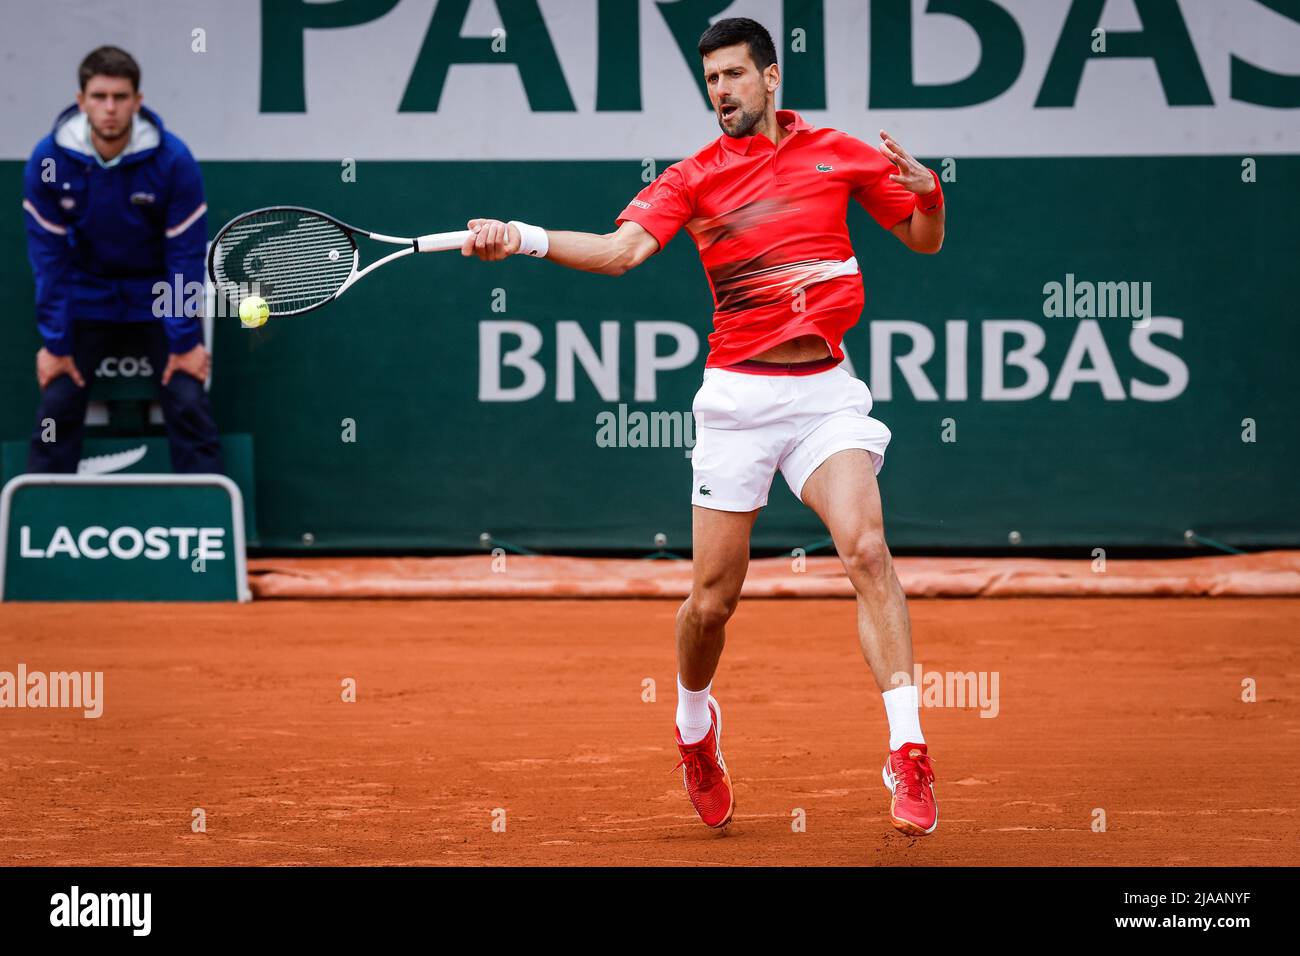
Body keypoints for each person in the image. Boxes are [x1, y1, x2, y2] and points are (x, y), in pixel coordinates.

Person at [461, 17, 944, 836]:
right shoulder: (693, 178)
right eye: (710, 79)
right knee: (712, 603)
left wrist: (930, 194)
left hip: (826, 393)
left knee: (866, 548)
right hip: (737, 405)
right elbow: (619, 253)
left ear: (770, 77)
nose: (720, 91)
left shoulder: (840, 153)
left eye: (732, 75)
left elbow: (924, 241)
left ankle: (910, 751)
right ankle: (694, 726)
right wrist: (524, 240)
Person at [22, 45, 222, 475]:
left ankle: (208, 524)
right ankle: (41, 523)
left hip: (156, 296)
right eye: (98, 97)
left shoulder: (173, 161)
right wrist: (56, 344)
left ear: (137, 101)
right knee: (57, 405)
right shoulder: (49, 161)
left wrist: (186, 341)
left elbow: (184, 258)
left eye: (119, 97)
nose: (109, 108)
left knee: (188, 400)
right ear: (81, 102)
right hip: (87, 295)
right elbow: (48, 260)